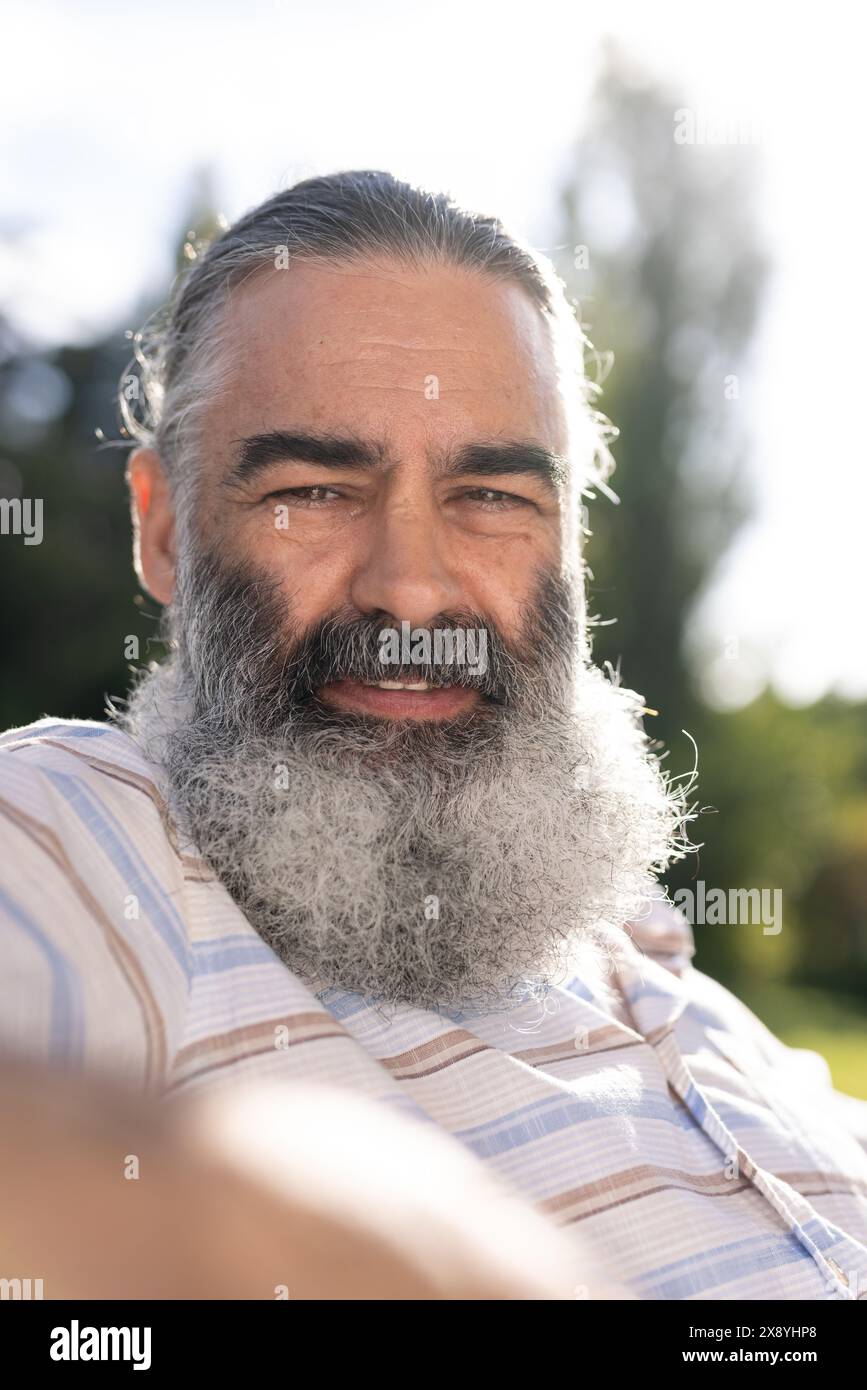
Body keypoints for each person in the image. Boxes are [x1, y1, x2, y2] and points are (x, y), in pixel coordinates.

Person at [1, 171, 865, 1300]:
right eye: (313, 489)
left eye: (494, 497)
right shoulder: (72, 834)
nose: (411, 592)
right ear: (162, 530)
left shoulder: (674, 982)